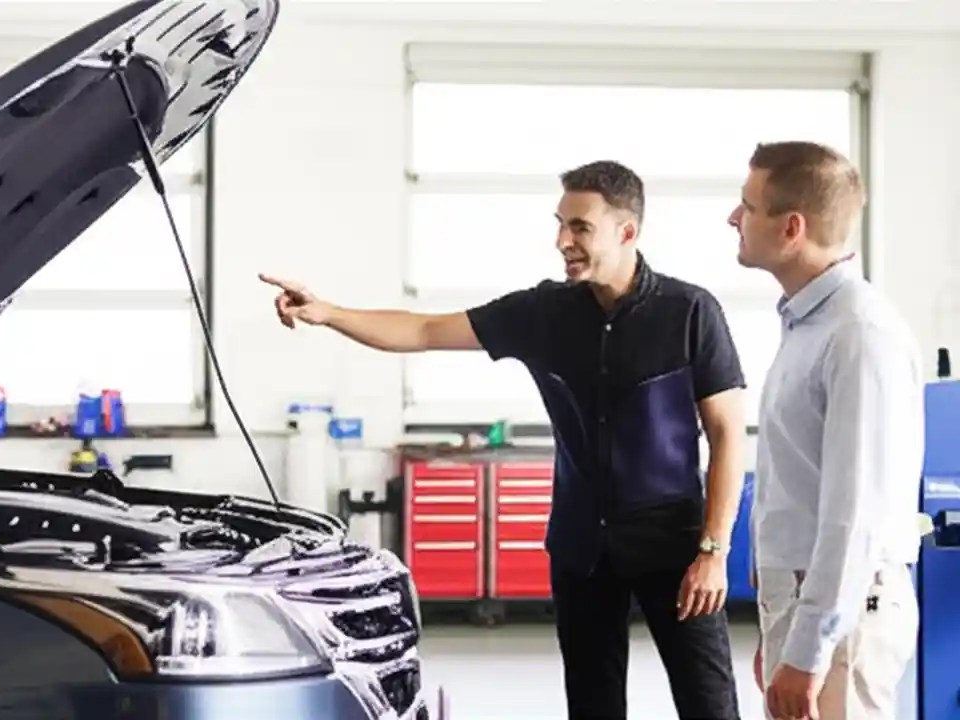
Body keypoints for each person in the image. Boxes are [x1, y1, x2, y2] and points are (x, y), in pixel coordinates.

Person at [262, 160, 748, 719]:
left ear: (627, 232)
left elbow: (727, 433)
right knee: (592, 706)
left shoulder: (689, 311)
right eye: (560, 224)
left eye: (580, 228)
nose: (562, 241)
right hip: (581, 547)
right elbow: (422, 330)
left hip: (676, 547)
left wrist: (713, 551)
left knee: (709, 706)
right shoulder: (543, 312)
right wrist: (328, 313)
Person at [730, 141, 924, 720]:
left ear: (792, 227)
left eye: (748, 206)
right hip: (811, 606)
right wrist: (784, 629)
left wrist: (809, 650)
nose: (734, 219)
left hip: (846, 617)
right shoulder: (809, 325)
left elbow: (854, 515)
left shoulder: (858, 335)